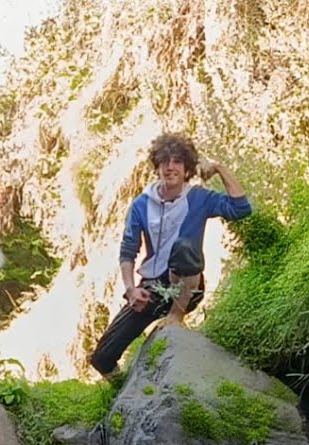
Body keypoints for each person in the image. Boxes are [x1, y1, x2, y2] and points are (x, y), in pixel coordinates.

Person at [87, 132, 252, 377]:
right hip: (153, 287)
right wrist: (132, 289)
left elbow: (241, 208)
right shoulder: (142, 204)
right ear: (158, 166)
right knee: (102, 358)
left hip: (188, 284)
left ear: (187, 169)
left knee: (184, 247)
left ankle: (176, 316)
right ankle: (123, 390)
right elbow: (128, 251)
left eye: (177, 162)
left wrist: (218, 168)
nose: (170, 167)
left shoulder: (198, 198)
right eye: (165, 161)